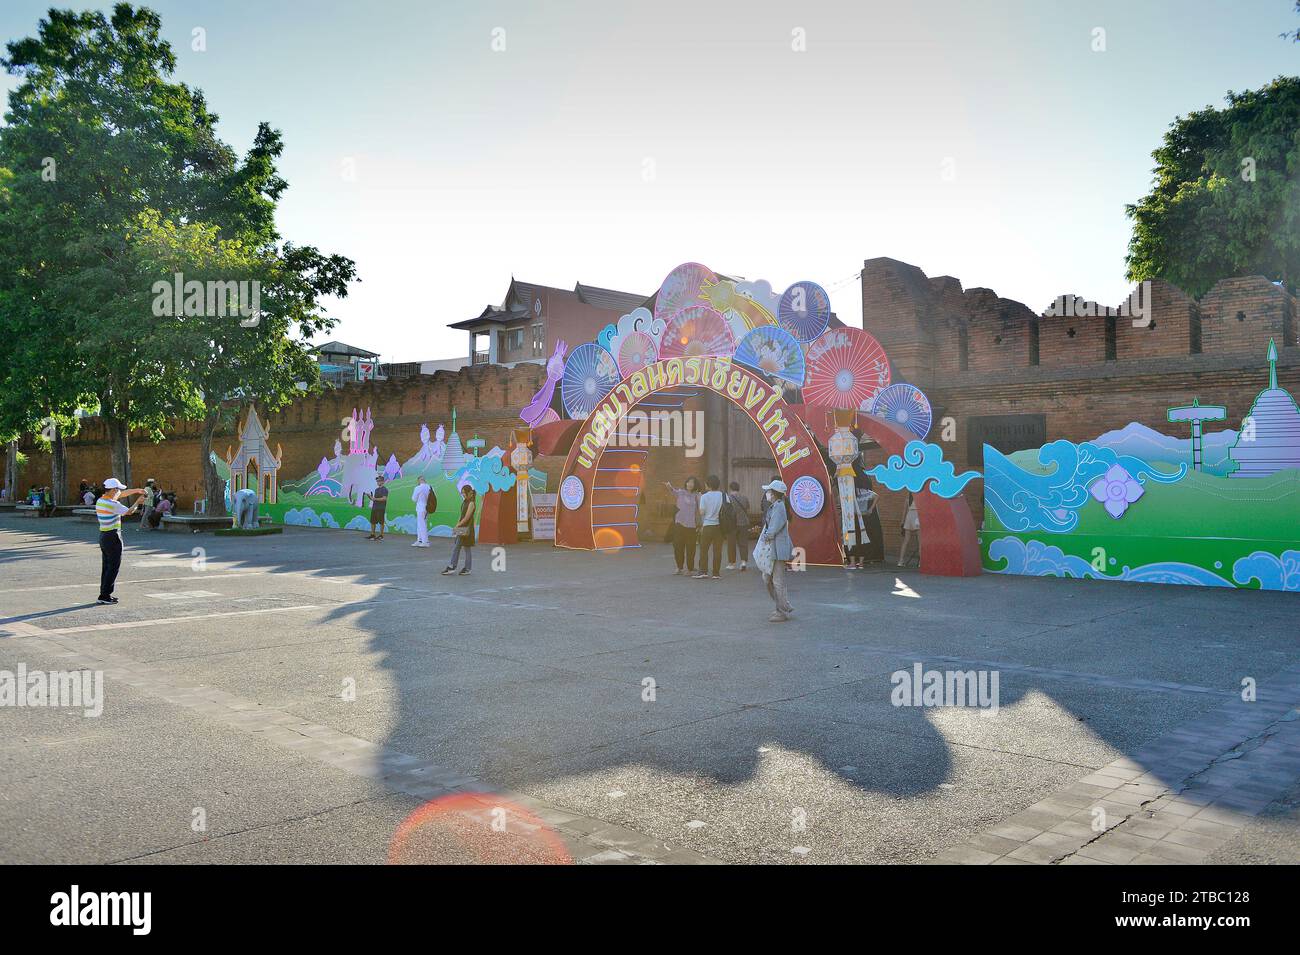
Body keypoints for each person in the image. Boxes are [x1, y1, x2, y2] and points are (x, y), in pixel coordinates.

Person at [95, 478, 144, 605]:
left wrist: (136, 490)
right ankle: (105, 595)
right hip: (113, 536)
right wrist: (138, 502)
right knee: (113, 567)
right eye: (117, 489)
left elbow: (121, 494)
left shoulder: (101, 500)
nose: (118, 491)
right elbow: (129, 512)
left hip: (104, 536)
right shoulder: (113, 504)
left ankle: (104, 594)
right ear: (112, 490)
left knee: (106, 566)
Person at [757, 479, 795, 623]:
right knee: (768, 579)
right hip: (774, 548)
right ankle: (784, 605)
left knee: (776, 580)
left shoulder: (778, 507)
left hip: (777, 548)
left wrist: (765, 536)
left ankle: (782, 611)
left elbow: (773, 529)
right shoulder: (776, 506)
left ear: (775, 493)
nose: (767, 493)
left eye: (769, 491)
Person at [664, 477, 700, 575]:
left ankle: (690, 569)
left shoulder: (696, 496)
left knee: (691, 548)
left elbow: (700, 509)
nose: (690, 484)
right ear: (686, 483)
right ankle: (679, 567)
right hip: (679, 524)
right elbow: (673, 491)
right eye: (688, 482)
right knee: (678, 547)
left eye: (692, 483)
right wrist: (669, 486)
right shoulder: (680, 492)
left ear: (695, 485)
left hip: (691, 526)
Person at [694, 475, 725, 580]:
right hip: (719, 527)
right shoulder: (723, 495)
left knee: (704, 549)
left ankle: (703, 571)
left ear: (708, 484)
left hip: (707, 526)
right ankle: (716, 573)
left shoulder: (704, 496)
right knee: (717, 550)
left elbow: (702, 512)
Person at [442, 484, 476, 575]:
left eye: (464, 493)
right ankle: (465, 568)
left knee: (463, 547)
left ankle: (453, 566)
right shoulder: (465, 502)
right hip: (462, 528)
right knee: (461, 546)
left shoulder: (471, 503)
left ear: (469, 493)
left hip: (466, 529)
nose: (463, 494)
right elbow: (461, 516)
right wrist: (457, 525)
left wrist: (457, 526)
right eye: (462, 493)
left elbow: (466, 518)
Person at [724, 481, 752, 571]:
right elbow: (747, 507)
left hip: (732, 524)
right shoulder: (744, 497)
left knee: (731, 543)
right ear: (738, 488)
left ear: (730, 488)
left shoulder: (728, 498)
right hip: (744, 522)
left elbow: (726, 510)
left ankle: (732, 563)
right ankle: (743, 562)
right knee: (743, 543)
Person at [898, 490, 921, 567]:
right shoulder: (920, 498)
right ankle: (920, 562)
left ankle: (900, 561)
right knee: (920, 540)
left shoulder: (908, 498)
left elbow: (904, 511)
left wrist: (902, 523)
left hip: (909, 516)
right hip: (917, 516)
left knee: (906, 540)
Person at [411, 476, 434, 547]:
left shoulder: (418, 488)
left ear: (419, 481)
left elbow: (414, 499)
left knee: (421, 524)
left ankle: (425, 541)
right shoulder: (430, 487)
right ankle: (419, 540)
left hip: (420, 508)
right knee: (421, 524)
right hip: (427, 508)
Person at [366, 475, 389, 541]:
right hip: (374, 508)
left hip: (381, 508)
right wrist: (369, 496)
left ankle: (381, 535)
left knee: (381, 522)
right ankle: (373, 535)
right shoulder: (376, 490)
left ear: (382, 482)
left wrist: (374, 498)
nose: (377, 482)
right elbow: (373, 499)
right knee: (372, 521)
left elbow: (384, 499)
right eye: (377, 481)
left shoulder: (385, 489)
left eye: (379, 481)